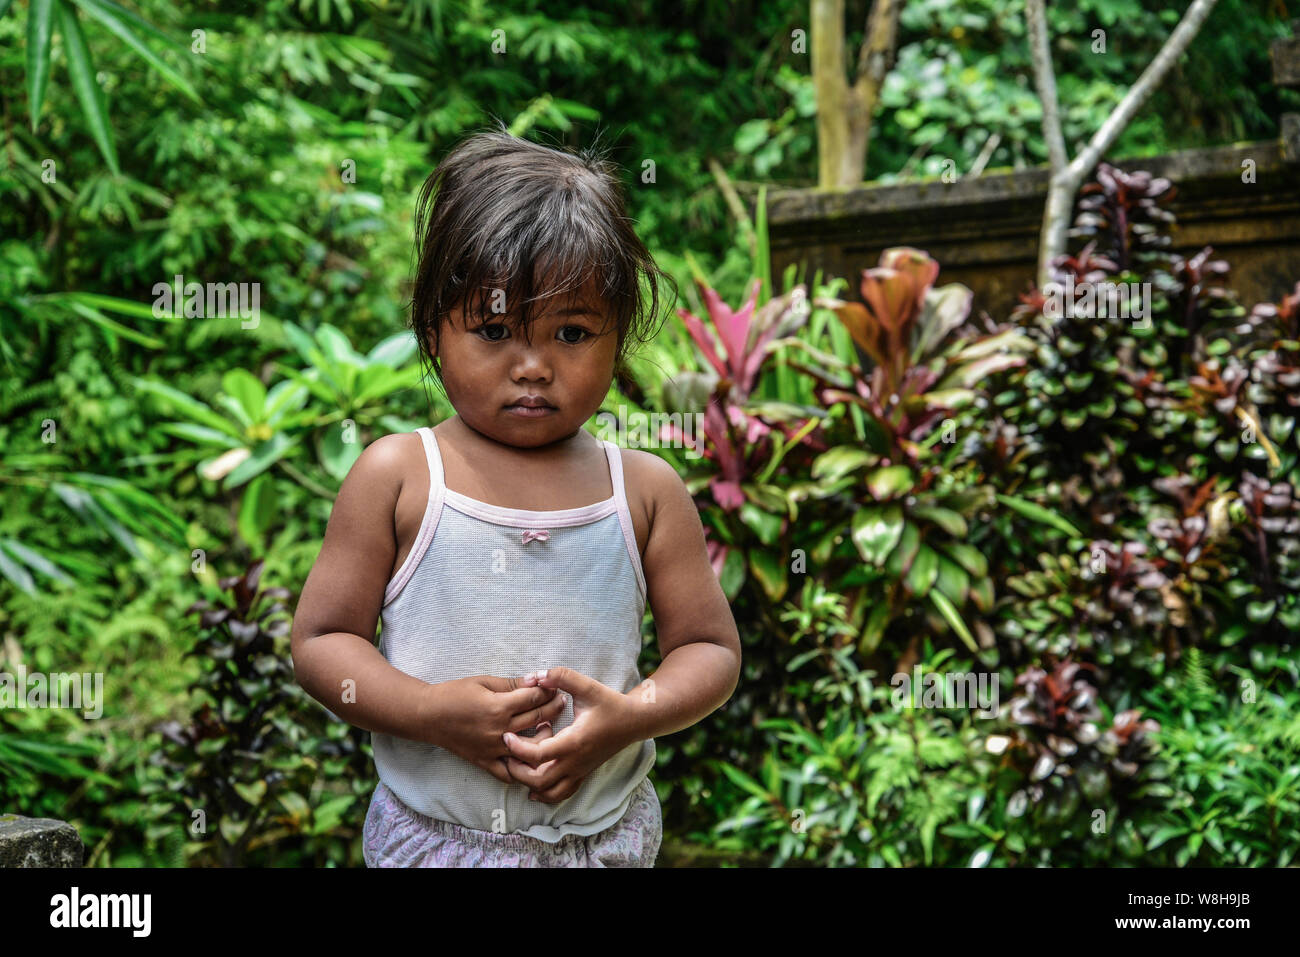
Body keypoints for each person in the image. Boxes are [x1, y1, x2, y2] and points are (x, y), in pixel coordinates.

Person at [290, 124, 742, 867]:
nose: (532, 366)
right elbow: (321, 644)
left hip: (605, 842)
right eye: (495, 329)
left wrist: (629, 717)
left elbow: (709, 650)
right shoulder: (400, 476)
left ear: (618, 336)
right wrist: (433, 713)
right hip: (434, 843)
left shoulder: (646, 491)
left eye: (571, 332)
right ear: (435, 331)